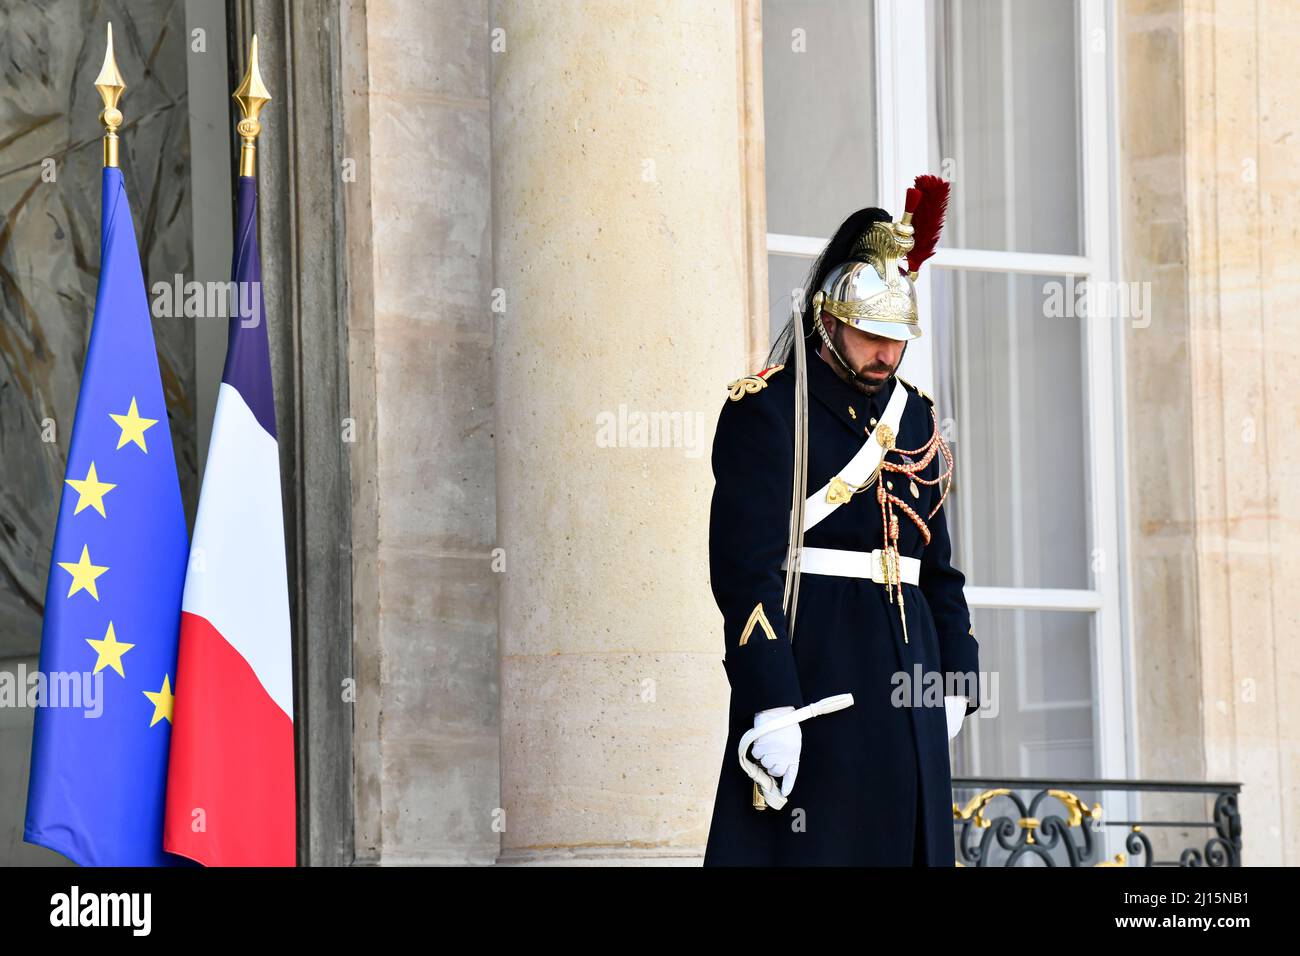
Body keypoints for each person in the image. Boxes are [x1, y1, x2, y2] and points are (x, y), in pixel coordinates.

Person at [702, 177, 980, 866]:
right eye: (870, 334)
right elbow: (746, 573)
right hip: (817, 694)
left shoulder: (914, 415)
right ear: (828, 320)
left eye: (896, 338)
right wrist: (770, 699)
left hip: (911, 701)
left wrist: (959, 681)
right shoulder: (767, 410)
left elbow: (937, 570)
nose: (886, 354)